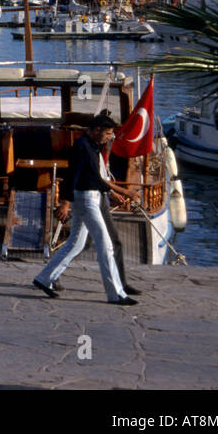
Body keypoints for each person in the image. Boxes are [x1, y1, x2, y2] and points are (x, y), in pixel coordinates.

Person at [33, 112, 139, 305]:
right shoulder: (83, 147)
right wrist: (124, 191)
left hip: (88, 197)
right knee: (105, 244)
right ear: (96, 130)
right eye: (107, 134)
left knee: (76, 243)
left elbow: (93, 178)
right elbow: (78, 176)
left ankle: (43, 278)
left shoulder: (91, 146)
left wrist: (114, 192)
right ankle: (115, 294)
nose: (109, 138)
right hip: (87, 199)